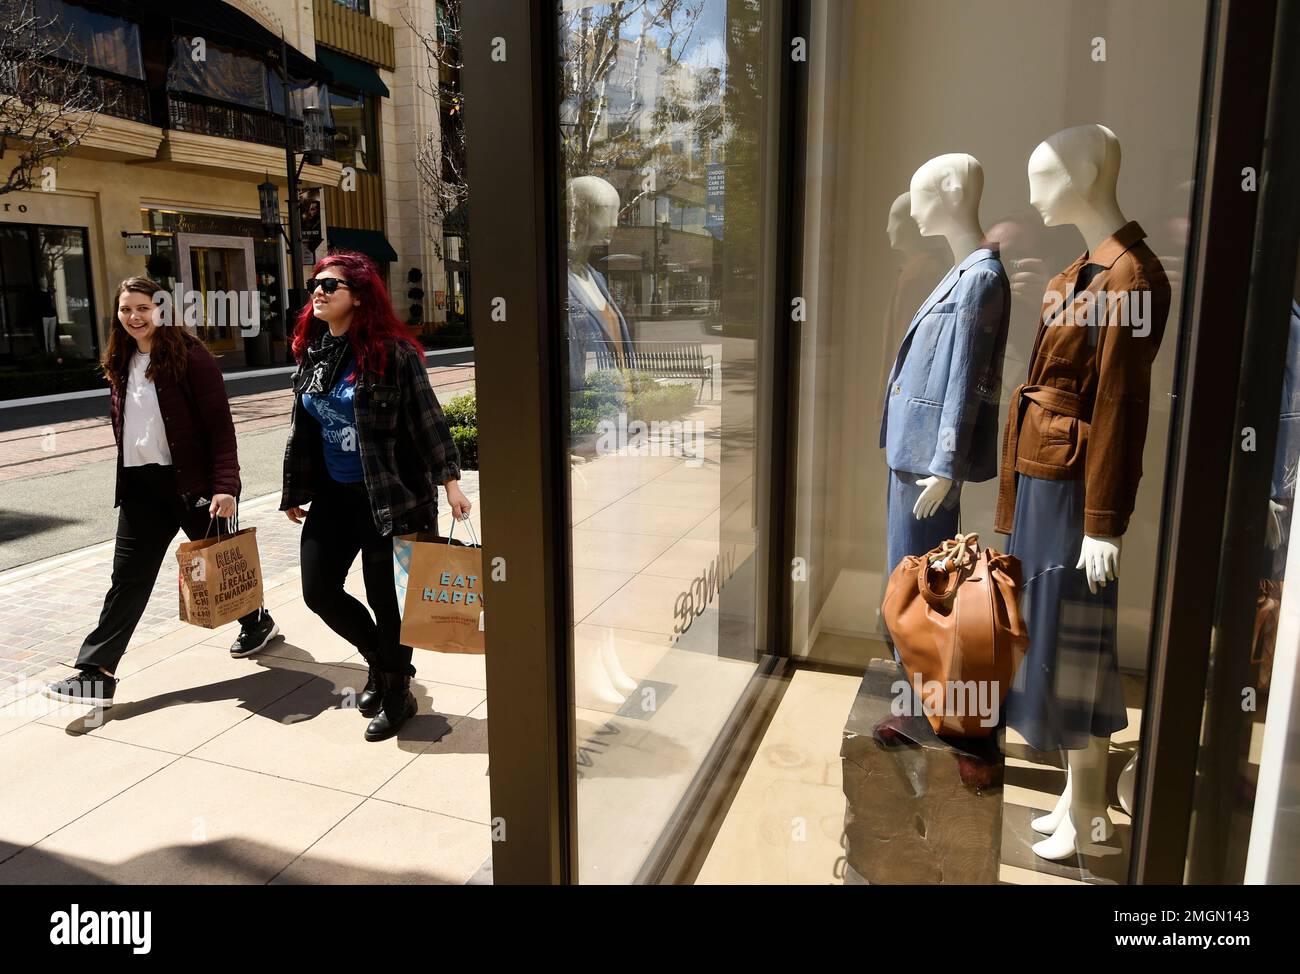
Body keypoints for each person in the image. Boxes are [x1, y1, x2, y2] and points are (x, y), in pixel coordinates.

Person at [45, 277, 280, 707]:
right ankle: (96, 674)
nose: (134, 317)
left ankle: (257, 620)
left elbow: (220, 428)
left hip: (194, 486)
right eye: (125, 310)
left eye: (143, 308)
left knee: (219, 566)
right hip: (141, 488)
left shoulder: (192, 358)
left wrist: (224, 486)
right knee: (128, 580)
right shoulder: (121, 359)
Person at [280, 252, 470, 742]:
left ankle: (397, 692)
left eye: (330, 285)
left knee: (388, 602)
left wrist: (450, 483)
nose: (318, 292)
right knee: (318, 591)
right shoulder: (314, 352)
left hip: (393, 496)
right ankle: (379, 664)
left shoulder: (392, 354)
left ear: (359, 297)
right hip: (335, 495)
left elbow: (428, 420)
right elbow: (304, 430)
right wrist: (295, 490)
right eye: (314, 286)